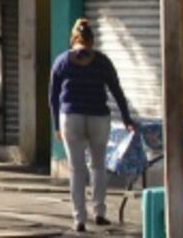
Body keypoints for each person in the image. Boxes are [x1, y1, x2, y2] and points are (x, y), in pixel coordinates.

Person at [49, 18, 137, 232]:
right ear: (92, 39)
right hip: (99, 118)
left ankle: (79, 218)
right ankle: (99, 212)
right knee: (98, 166)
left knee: (76, 169)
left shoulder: (62, 61)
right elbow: (117, 91)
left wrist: (56, 125)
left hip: (71, 118)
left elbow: (52, 96)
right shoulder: (102, 61)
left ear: (73, 38)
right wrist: (126, 119)